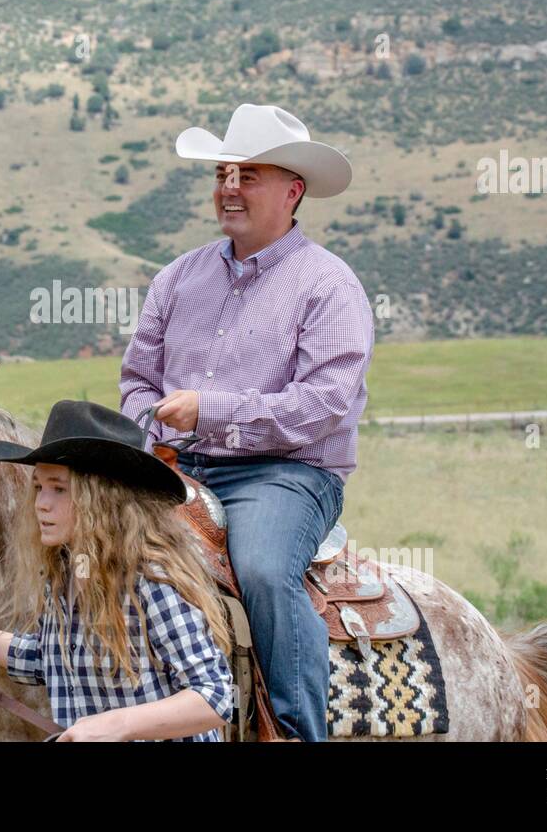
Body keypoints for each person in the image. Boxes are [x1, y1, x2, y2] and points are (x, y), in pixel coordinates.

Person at [119, 103, 375, 742]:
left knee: (261, 569)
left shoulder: (328, 285)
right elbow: (138, 381)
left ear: (293, 191)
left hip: (286, 476)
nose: (229, 188)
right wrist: (149, 437)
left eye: (248, 175)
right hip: (174, 466)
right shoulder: (178, 278)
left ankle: (294, 731)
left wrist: (210, 410)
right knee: (85, 542)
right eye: (222, 174)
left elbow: (323, 405)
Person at [0, 399, 235, 741]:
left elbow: (213, 695)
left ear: (101, 499)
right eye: (38, 487)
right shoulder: (63, 577)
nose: (41, 504)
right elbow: (48, 660)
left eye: (59, 489)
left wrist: (113, 726)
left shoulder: (151, 579)